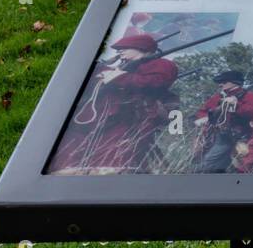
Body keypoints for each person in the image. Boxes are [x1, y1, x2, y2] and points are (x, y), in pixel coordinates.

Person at [52, 33, 178, 173]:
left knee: (115, 161)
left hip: (132, 120)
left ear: (141, 48)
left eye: (125, 47)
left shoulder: (161, 64)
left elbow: (155, 83)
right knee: (77, 157)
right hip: (102, 120)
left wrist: (119, 77)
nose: (120, 51)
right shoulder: (124, 65)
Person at [193, 71, 253, 172]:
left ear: (235, 82)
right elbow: (203, 111)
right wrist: (205, 118)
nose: (220, 84)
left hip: (235, 137)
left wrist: (236, 105)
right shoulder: (218, 97)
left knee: (206, 165)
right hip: (213, 136)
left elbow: (251, 113)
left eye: (224, 82)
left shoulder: (249, 96)